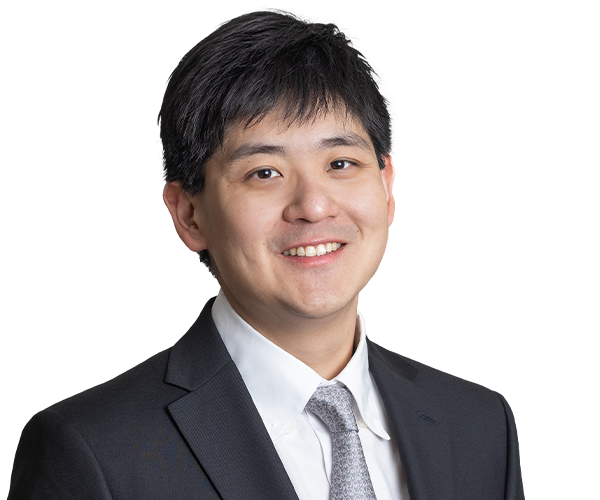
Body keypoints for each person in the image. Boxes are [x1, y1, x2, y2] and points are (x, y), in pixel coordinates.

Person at [9, 14, 521, 500]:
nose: (313, 206)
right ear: (190, 214)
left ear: (386, 188)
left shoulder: (481, 424)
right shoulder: (95, 450)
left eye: (341, 163)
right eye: (264, 173)